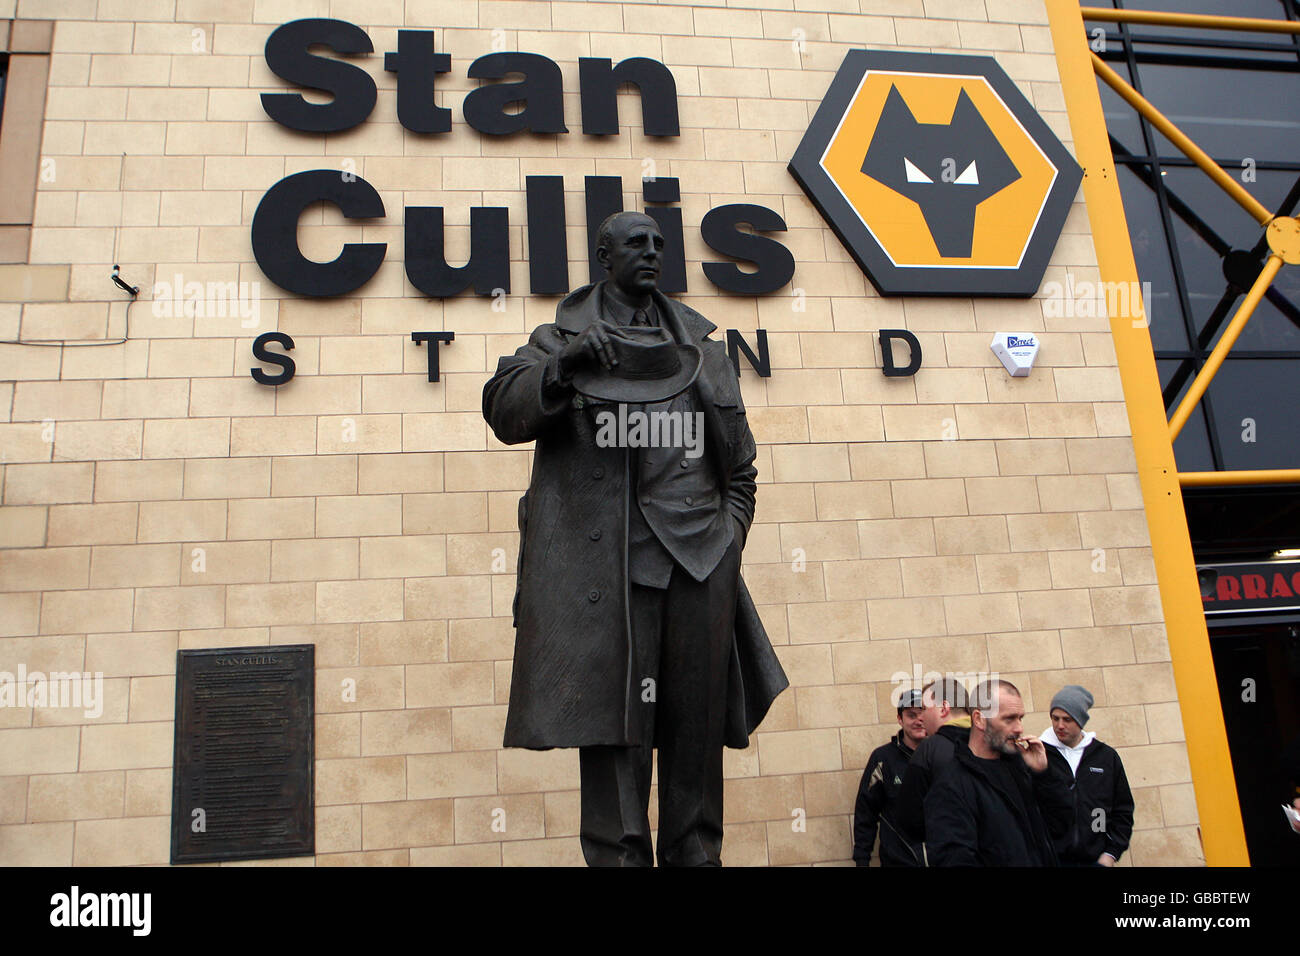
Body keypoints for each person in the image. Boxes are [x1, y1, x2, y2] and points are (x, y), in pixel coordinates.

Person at [482, 210, 787, 867]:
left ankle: (697, 852)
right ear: (604, 256)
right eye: (635, 244)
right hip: (610, 570)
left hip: (701, 565)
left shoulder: (703, 348)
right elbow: (505, 410)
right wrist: (564, 365)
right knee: (617, 730)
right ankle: (618, 857)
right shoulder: (561, 337)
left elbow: (741, 469)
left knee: (695, 729)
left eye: (658, 244)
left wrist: (728, 542)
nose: (651, 253)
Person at [924, 678, 1071, 866]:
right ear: (979, 719)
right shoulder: (952, 785)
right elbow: (954, 859)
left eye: (1020, 718)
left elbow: (1061, 827)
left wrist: (1043, 774)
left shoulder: (1022, 769)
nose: (1019, 728)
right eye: (1009, 719)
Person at [1041, 685, 1134, 866]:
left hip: (1095, 859)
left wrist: (1109, 855)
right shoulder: (1039, 754)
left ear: (1081, 720)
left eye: (1067, 719)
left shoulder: (1106, 757)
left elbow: (1123, 810)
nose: (1060, 725)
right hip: (1050, 860)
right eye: (1055, 718)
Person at [893, 677, 971, 856]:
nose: (922, 718)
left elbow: (909, 819)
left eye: (925, 709)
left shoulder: (929, 750)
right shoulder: (993, 743)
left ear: (943, 708)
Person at [853, 689, 927, 866]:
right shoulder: (883, 759)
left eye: (923, 714)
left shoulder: (945, 754)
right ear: (900, 719)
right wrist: (862, 859)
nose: (919, 720)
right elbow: (865, 813)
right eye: (911, 715)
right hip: (899, 860)